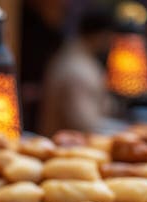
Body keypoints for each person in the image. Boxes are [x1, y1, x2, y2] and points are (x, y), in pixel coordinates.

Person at [38, 7, 121, 136]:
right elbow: (85, 125)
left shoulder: (74, 58)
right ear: (102, 35)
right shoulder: (77, 68)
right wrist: (126, 131)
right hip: (66, 146)